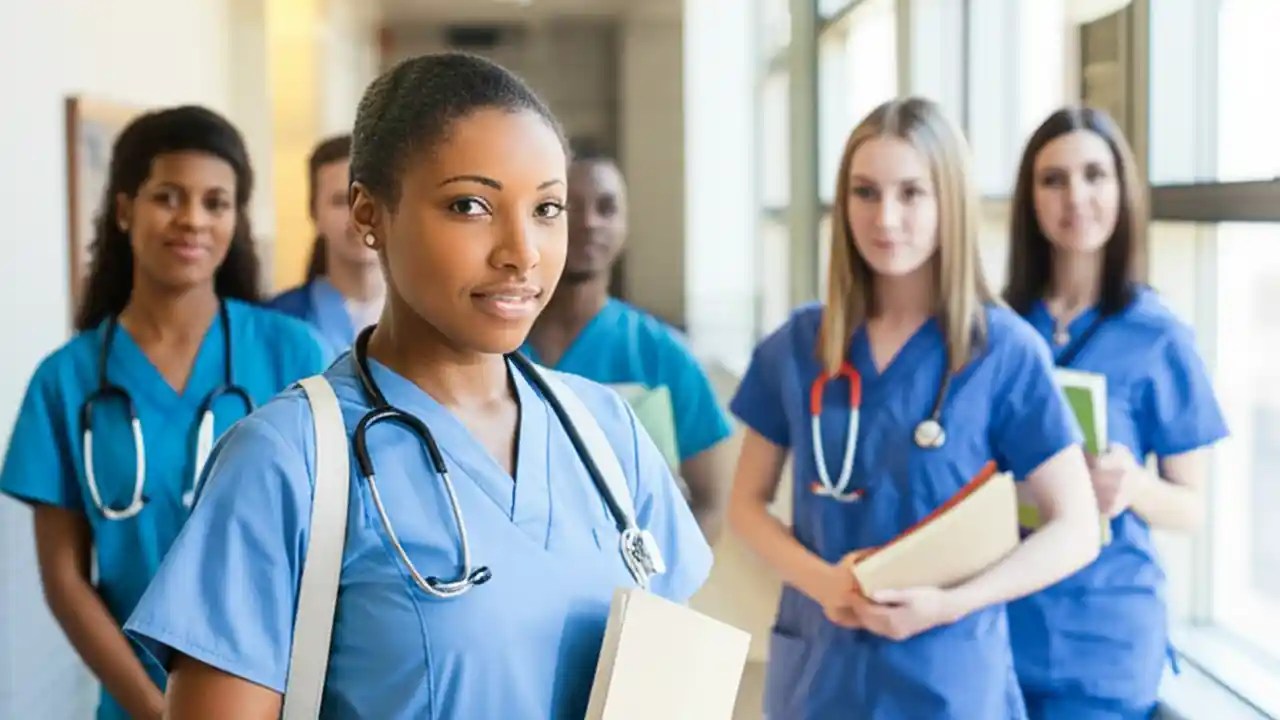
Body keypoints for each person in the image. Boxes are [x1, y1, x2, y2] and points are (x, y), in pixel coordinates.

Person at [123, 52, 711, 718]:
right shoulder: (288, 460)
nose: (522, 251)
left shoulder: (607, 434)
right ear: (368, 213)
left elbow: (673, 691)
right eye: (471, 205)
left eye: (547, 208)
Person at [726, 97, 1103, 719]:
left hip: (948, 677)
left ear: (949, 202)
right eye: (865, 192)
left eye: (912, 193)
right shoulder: (799, 346)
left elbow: (1077, 527)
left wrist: (954, 603)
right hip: (820, 676)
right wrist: (824, 583)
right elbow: (745, 505)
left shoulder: (1004, 353)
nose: (886, 218)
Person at [0, 105, 331, 720]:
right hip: (134, 703)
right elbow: (66, 580)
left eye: (216, 202)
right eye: (168, 197)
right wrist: (159, 712)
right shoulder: (66, 380)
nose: (193, 221)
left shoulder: (296, 353)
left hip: (283, 697)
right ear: (124, 209)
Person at [1003, 106, 1229, 720]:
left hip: (1103, 640)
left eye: (1095, 175)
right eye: (1053, 179)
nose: (1076, 196)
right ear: (1030, 199)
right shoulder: (998, 331)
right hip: (996, 620)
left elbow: (1192, 507)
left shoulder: (1160, 338)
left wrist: (1133, 486)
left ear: (1122, 190)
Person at [522, 147, 735, 541]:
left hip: (631, 591)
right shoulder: (494, 347)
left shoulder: (664, 357)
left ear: (625, 225)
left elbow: (709, 501)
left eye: (607, 208)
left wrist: (661, 590)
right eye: (568, 208)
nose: (589, 223)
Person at [269, 134, 384, 351]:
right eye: (341, 201)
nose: (359, 217)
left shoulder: (437, 319)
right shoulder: (276, 321)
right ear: (314, 213)